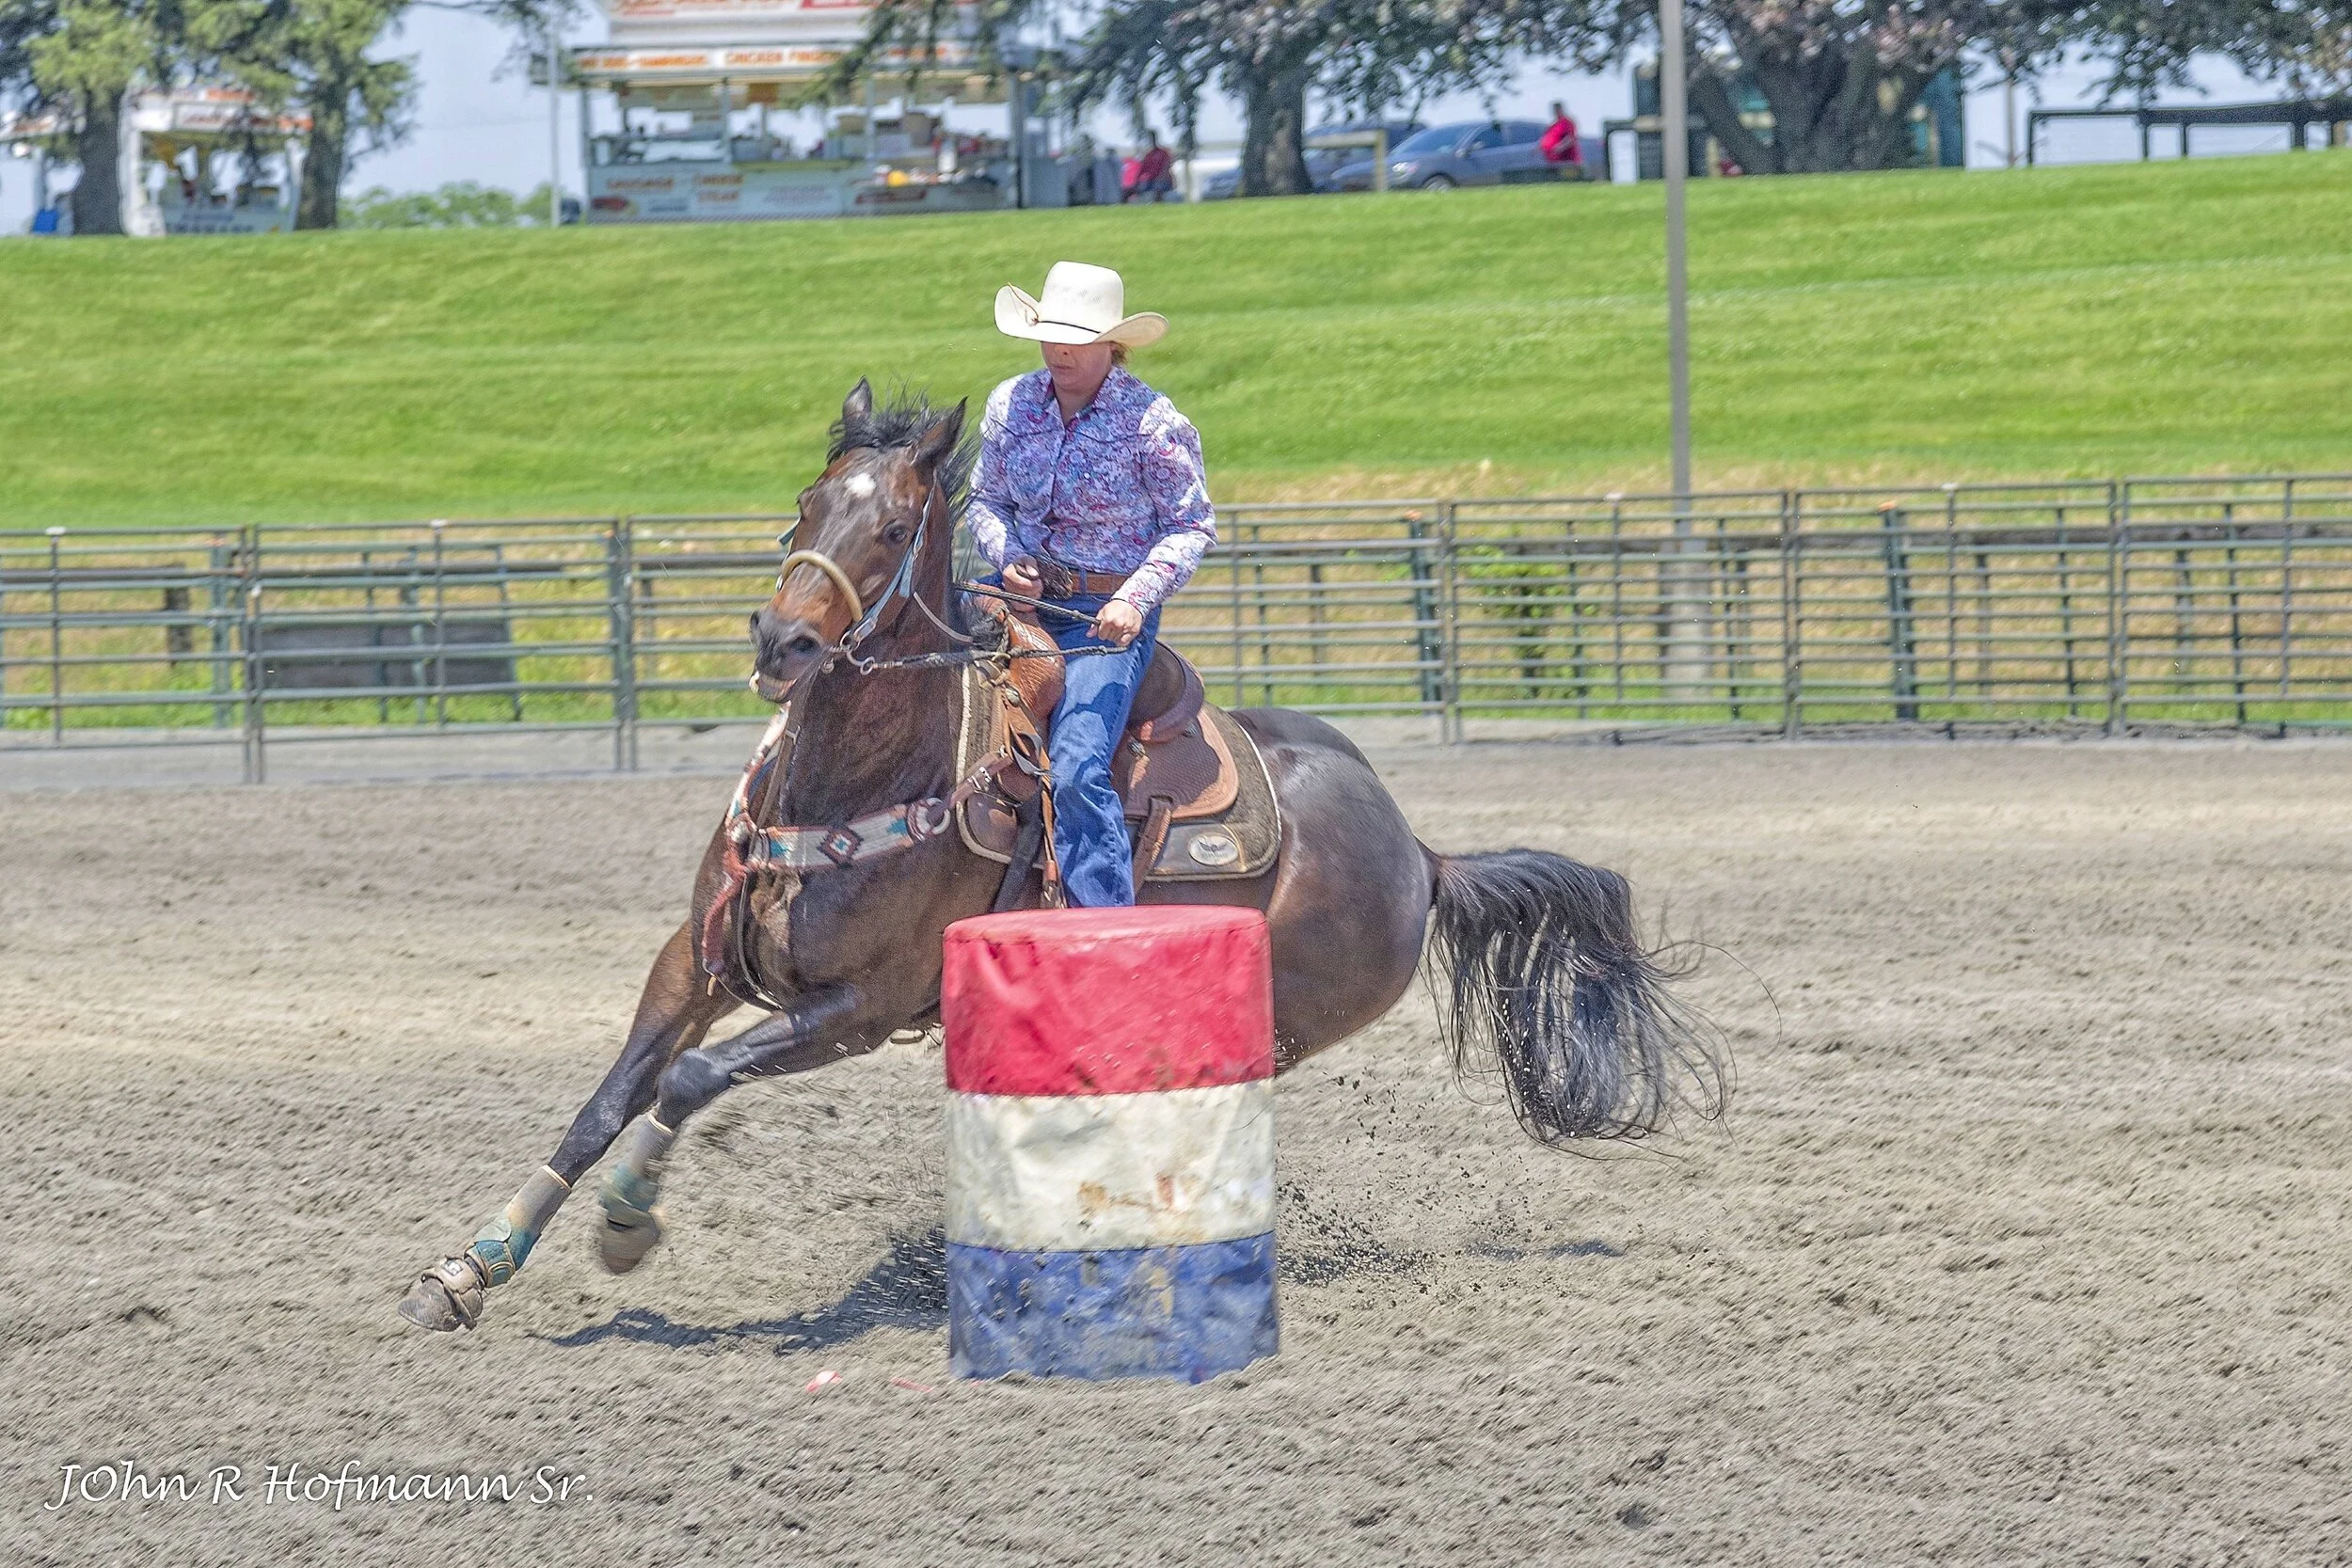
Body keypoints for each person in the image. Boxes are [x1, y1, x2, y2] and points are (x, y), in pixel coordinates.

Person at [966, 261, 1216, 908]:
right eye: (1051, 333)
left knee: (1078, 765)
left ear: (1113, 343)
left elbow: (1190, 527)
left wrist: (1134, 599)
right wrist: (1010, 552)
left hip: (1102, 614)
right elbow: (986, 500)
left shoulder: (1153, 424)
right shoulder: (1011, 405)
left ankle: (1105, 929)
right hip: (1016, 597)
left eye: (1077, 337)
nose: (1060, 349)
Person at [1122, 132, 1174, 202]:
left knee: (1157, 189)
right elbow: (1142, 170)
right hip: (1150, 182)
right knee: (1129, 191)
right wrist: (1136, 182)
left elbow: (1166, 167)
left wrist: (1160, 178)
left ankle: (1158, 206)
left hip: (1163, 181)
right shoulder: (1148, 155)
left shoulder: (1163, 153)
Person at [1540, 101, 1581, 169]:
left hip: (1569, 159)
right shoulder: (1553, 125)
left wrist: (1560, 147)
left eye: (1557, 110)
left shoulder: (1567, 123)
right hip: (1556, 161)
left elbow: (1571, 138)